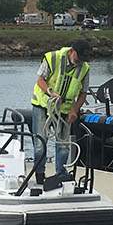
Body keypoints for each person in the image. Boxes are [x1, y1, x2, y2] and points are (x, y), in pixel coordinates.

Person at [30, 40, 92, 175]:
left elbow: (83, 93)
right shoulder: (52, 58)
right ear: (71, 51)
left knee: (64, 146)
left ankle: (61, 174)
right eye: (78, 57)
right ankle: (39, 173)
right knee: (40, 143)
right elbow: (40, 80)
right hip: (43, 105)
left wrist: (74, 110)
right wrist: (50, 92)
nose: (80, 61)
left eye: (83, 59)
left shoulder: (85, 68)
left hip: (64, 110)